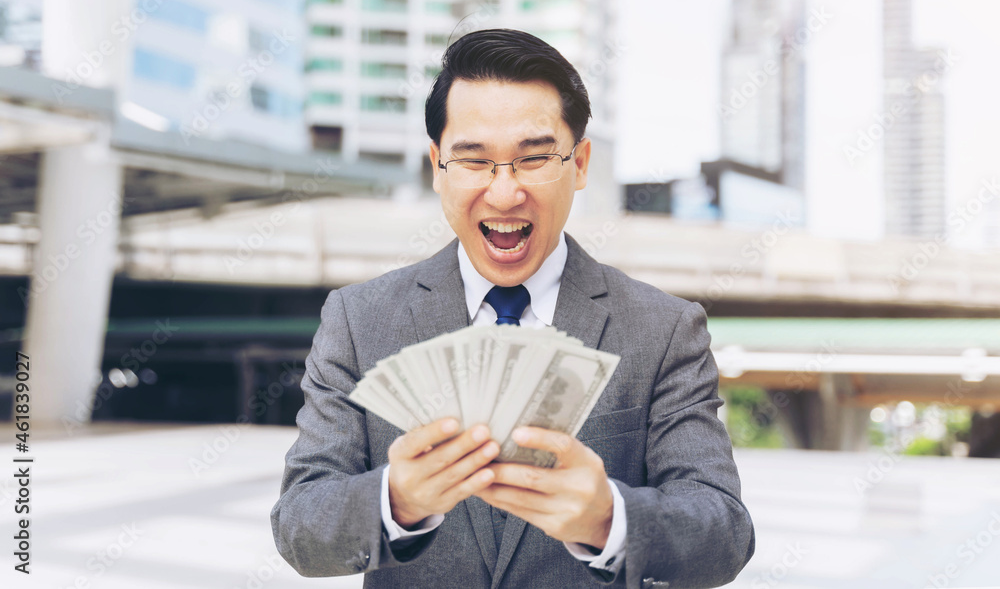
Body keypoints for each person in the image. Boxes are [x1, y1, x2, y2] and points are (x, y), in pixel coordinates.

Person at [271, 29, 755, 588]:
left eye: (534, 158)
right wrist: (396, 500)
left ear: (579, 164)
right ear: (438, 166)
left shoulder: (664, 330)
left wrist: (608, 519)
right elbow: (299, 528)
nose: (504, 194)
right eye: (474, 160)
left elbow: (724, 535)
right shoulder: (358, 320)